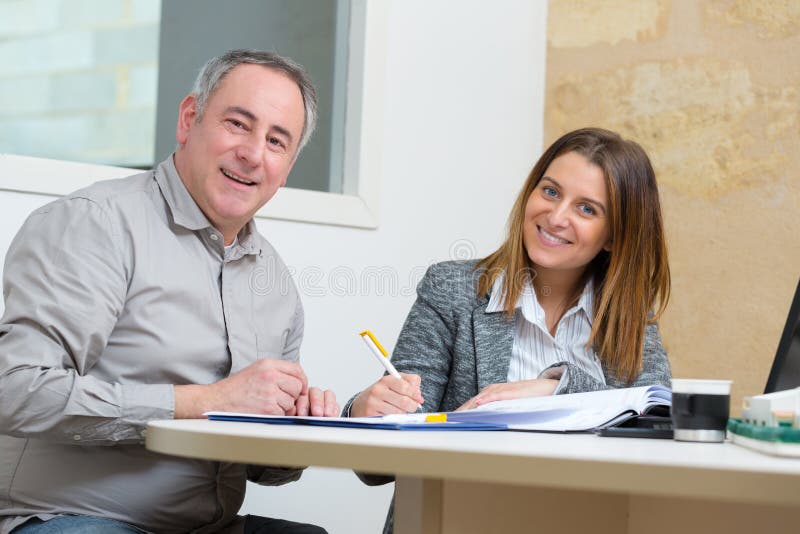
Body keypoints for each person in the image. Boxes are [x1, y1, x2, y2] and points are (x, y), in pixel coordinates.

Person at [0, 50, 339, 534]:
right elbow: (14, 390)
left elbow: (264, 469)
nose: (253, 152)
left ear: (285, 170)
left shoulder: (276, 285)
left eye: (276, 141)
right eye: (238, 124)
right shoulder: (95, 224)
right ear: (189, 119)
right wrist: (204, 401)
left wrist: (297, 427)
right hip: (75, 517)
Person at [345, 127, 672, 533]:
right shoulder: (452, 291)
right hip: (455, 519)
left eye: (587, 209)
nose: (556, 217)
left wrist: (555, 390)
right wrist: (363, 413)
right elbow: (378, 465)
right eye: (551, 192)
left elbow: (660, 422)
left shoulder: (631, 319)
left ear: (614, 236)